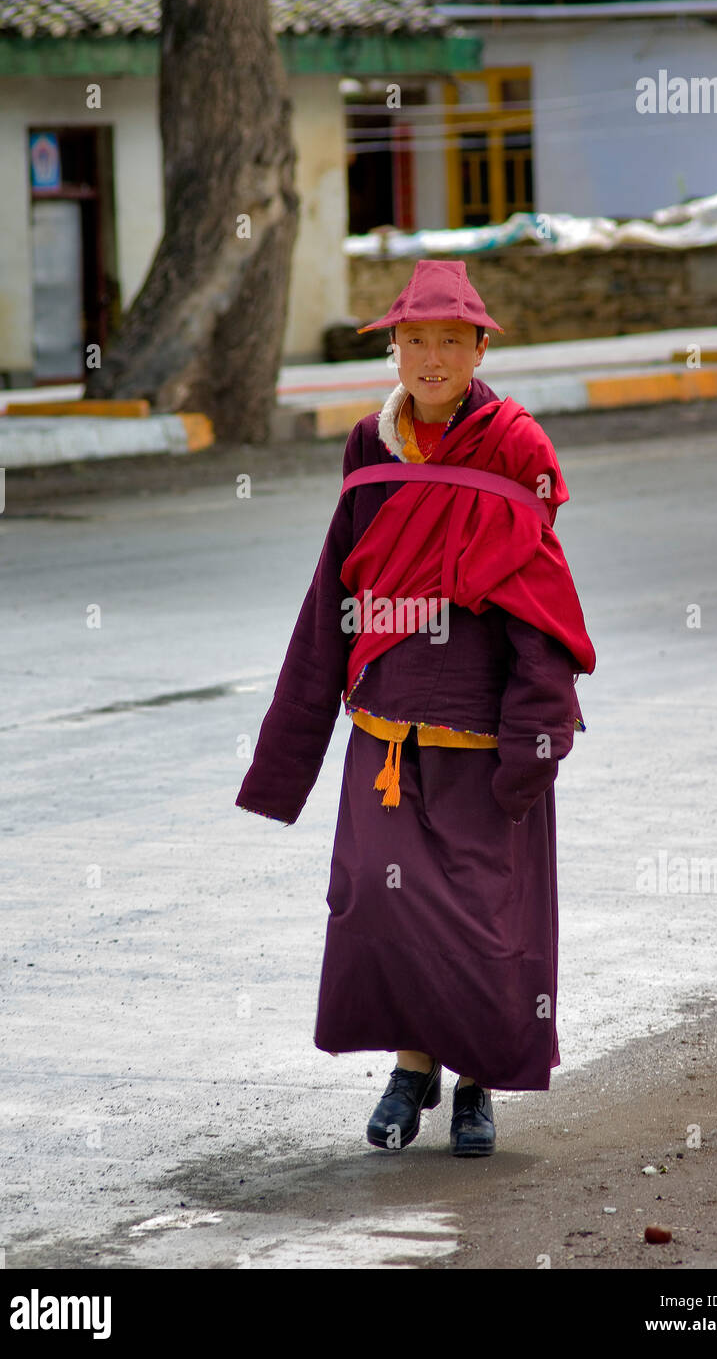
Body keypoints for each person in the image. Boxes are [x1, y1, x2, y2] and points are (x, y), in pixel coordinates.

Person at [236, 259, 596, 1157]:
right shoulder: (369, 445)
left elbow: (543, 608)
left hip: (483, 741)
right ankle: (410, 1069)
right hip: (386, 739)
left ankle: (475, 1088)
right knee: (381, 909)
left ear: (480, 347)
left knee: (481, 919)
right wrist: (288, 756)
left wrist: (534, 739)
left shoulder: (516, 446)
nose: (431, 358)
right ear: (393, 348)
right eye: (414, 341)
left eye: (449, 341)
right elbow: (333, 602)